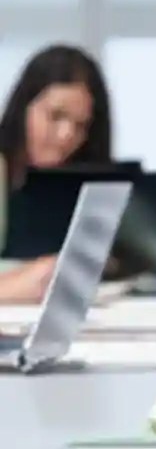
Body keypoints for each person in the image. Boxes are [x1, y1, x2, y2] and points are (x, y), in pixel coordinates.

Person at [0, 45, 112, 303]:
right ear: (24, 107)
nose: (66, 136)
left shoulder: (78, 182)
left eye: (81, 125)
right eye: (55, 116)